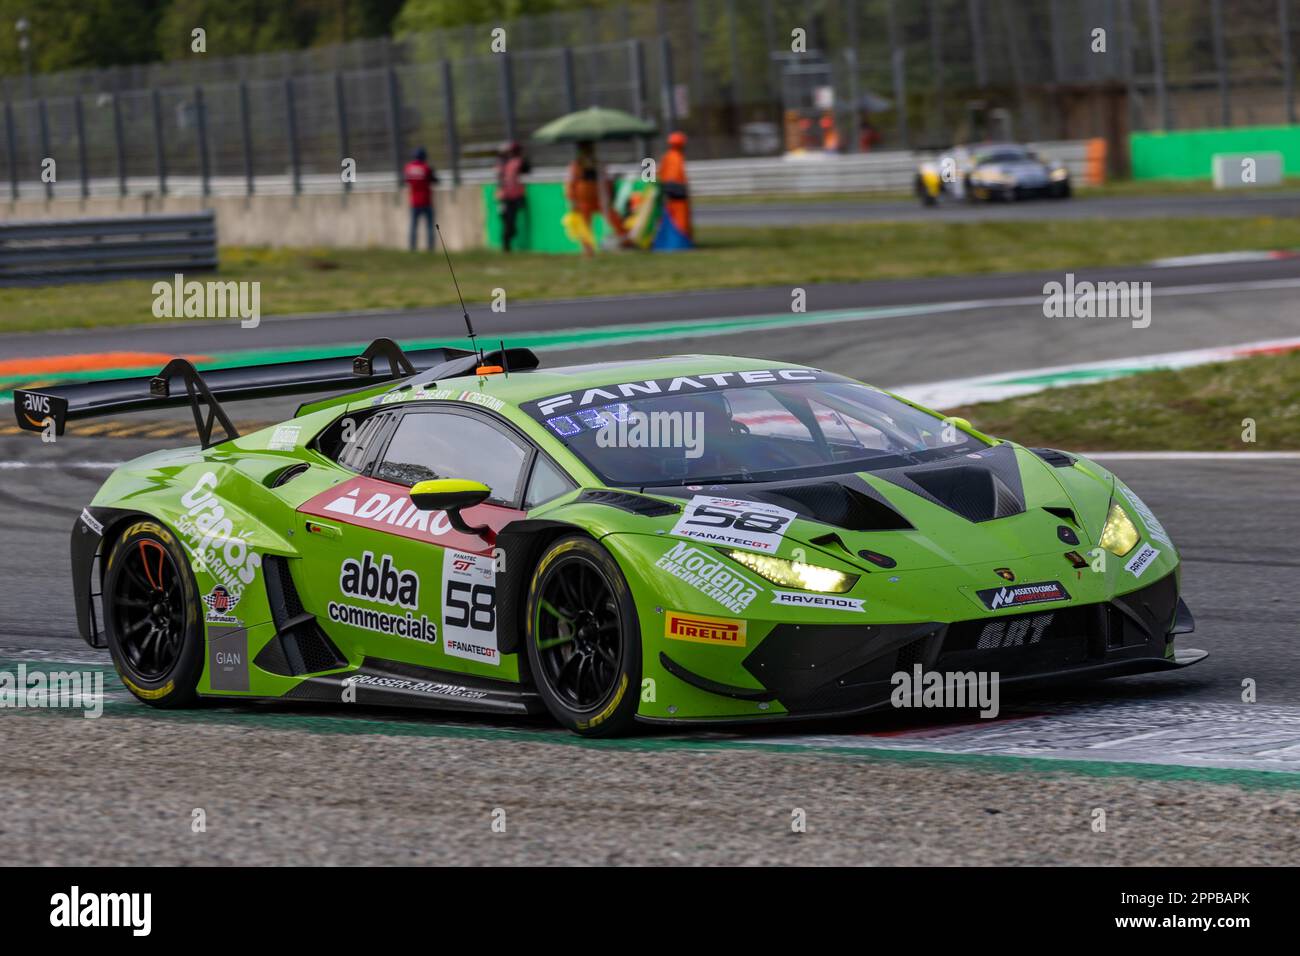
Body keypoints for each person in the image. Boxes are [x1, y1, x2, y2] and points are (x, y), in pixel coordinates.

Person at [658, 130, 692, 242]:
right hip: (678, 190)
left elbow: (661, 173)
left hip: (668, 189)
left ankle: (676, 237)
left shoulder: (667, 156)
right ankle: (682, 238)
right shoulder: (677, 157)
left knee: (670, 215)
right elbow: (678, 175)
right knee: (681, 216)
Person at [495, 141, 529, 252]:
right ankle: (505, 245)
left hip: (512, 197)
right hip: (504, 198)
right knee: (507, 222)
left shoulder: (516, 162)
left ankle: (506, 245)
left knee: (510, 225)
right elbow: (499, 179)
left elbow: (526, 169)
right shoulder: (504, 164)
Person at [404, 146, 439, 251]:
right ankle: (430, 247)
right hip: (426, 201)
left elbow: (407, 181)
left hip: (414, 202)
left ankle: (412, 247)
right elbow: (434, 180)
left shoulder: (408, 168)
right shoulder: (426, 168)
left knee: (413, 226)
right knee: (429, 226)